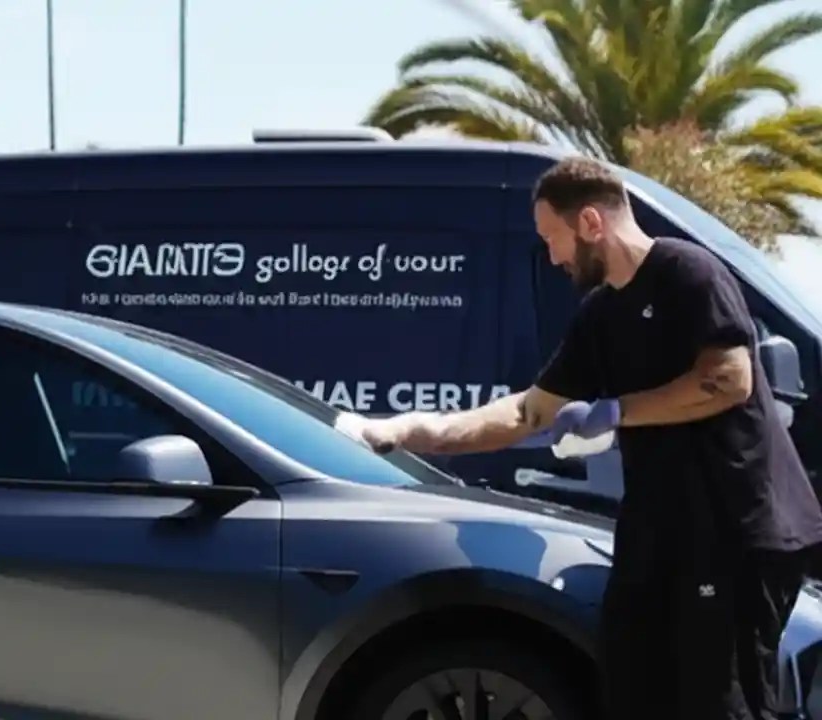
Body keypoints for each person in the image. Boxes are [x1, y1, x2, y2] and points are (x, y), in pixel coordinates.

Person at [352, 156, 822, 719]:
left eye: (554, 238)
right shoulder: (600, 313)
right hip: (659, 534)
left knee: (718, 703)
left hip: (732, 532)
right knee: (631, 693)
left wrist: (616, 412)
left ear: (592, 224)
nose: (552, 256)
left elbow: (726, 381)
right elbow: (529, 413)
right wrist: (410, 429)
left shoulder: (687, 272)